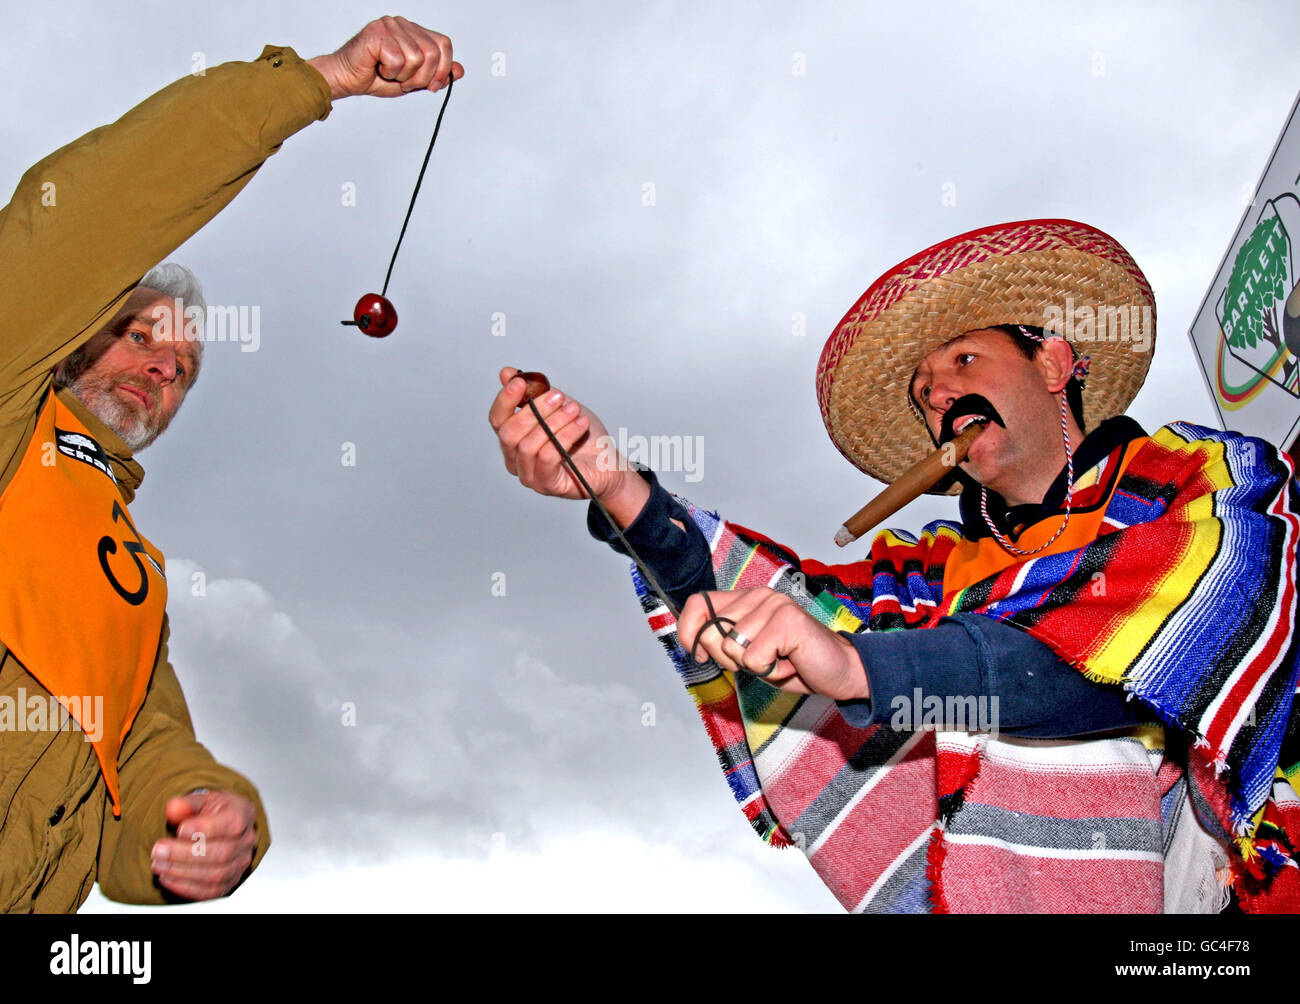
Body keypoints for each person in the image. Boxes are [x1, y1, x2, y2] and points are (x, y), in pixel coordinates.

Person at [491, 219, 1300, 913]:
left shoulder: (1203, 472)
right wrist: (617, 484)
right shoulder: (932, 570)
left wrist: (858, 664)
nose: (939, 395)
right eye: (923, 392)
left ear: (1054, 365)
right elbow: (769, 604)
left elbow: (1135, 664)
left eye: (963, 364)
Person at [0, 15, 463, 912]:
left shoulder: (133, 576)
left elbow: (139, 752)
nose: (164, 370)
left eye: (185, 369)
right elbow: (80, 223)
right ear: (67, 343)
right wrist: (315, 82)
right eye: (138, 336)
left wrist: (208, 816)